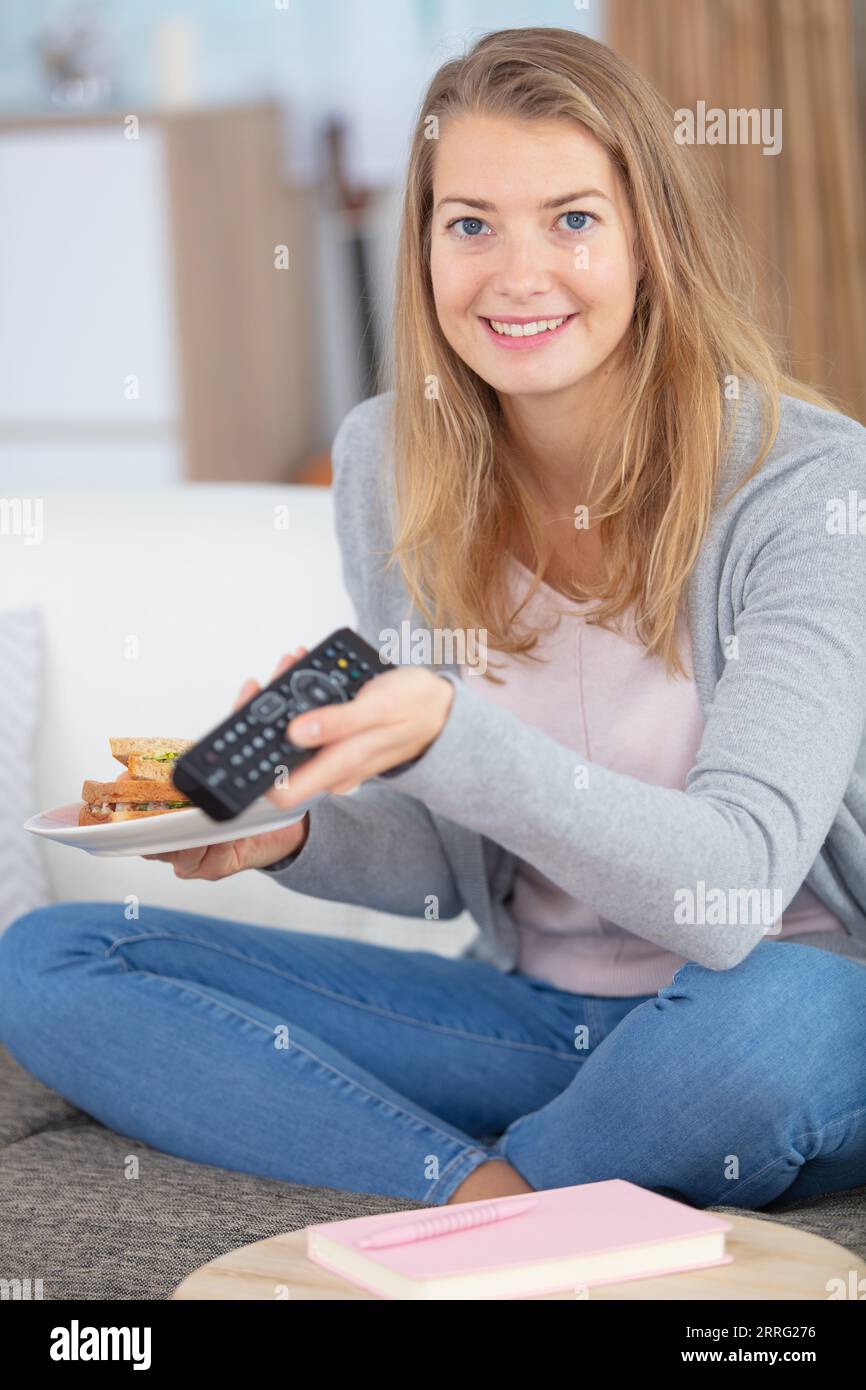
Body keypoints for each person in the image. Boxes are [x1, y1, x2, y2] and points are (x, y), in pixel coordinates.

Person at [3, 27, 866, 1211]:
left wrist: (443, 730)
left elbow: (730, 891)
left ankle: (497, 1190)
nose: (517, 275)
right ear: (420, 248)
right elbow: (448, 863)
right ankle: (492, 1207)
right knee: (58, 959)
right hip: (534, 1019)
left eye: (571, 219)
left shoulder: (806, 487)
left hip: (776, 997)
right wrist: (292, 834)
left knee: (777, 1026)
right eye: (470, 224)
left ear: (648, 242)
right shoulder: (388, 461)